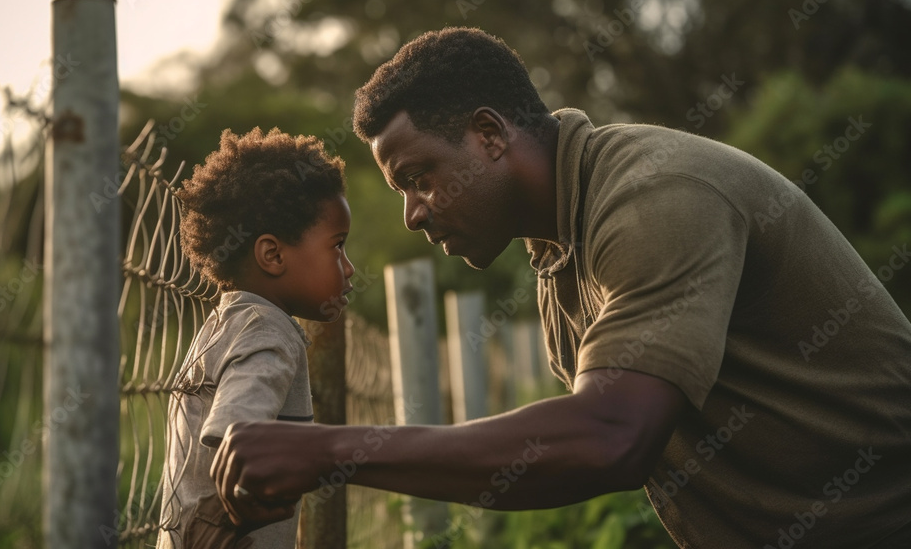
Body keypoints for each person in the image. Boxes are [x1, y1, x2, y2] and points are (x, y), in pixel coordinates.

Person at [210, 28, 911, 548]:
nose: (414, 214)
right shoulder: (557, 252)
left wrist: (333, 451)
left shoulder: (657, 197)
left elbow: (609, 438)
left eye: (420, 177)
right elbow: (565, 458)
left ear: (489, 135)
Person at [156, 127, 355, 548]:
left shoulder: (224, 323)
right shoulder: (269, 330)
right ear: (273, 255)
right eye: (337, 246)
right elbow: (241, 434)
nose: (349, 267)